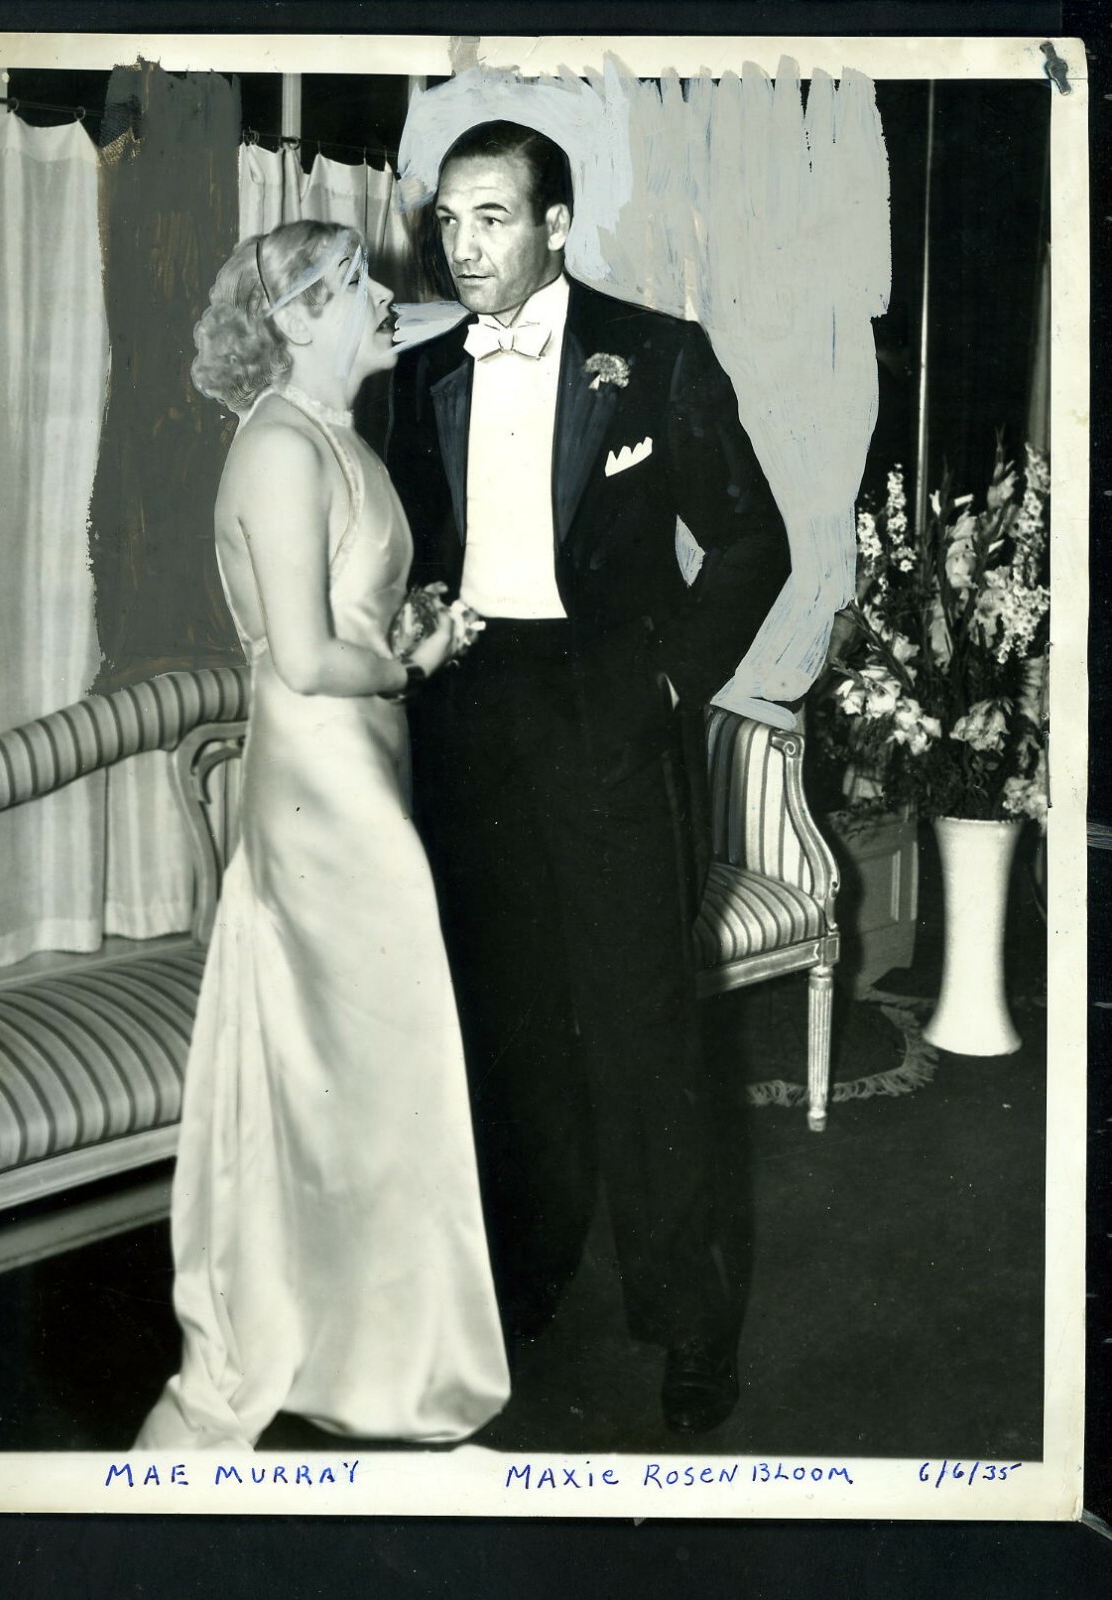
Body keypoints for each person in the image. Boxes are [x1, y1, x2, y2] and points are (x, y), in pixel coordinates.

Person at [387, 121, 793, 1433]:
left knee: (642, 1034)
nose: (464, 247)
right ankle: (525, 1277)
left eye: (491, 218)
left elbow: (748, 542)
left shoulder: (657, 355)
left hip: (608, 718)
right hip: (472, 729)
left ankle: (686, 1320)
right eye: (448, 222)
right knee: (509, 1032)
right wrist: (420, 619)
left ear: (555, 225)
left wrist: (664, 688)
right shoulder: (418, 373)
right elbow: (409, 552)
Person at [136, 221, 509, 1450]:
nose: (379, 300)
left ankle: (380, 1344)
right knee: (373, 1063)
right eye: (353, 287)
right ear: (294, 319)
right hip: (322, 784)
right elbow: (302, 656)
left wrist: (410, 622)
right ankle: (384, 1361)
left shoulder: (334, 437)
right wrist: (416, 660)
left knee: (369, 1071)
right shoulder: (281, 448)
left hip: (356, 766)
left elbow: (345, 610)